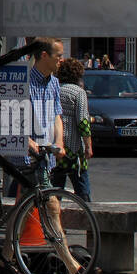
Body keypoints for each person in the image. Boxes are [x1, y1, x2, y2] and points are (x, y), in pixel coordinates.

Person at [3, 37, 82, 274]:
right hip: (25, 156)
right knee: (52, 206)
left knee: (23, 208)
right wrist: (28, 142)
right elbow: (9, 115)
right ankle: (72, 267)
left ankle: (4, 257)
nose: (62, 60)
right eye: (58, 55)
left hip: (45, 155)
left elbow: (57, 116)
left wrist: (59, 142)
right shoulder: (23, 82)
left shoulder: (54, 83)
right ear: (44, 56)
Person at [51, 57, 92, 200]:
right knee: (82, 186)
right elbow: (83, 121)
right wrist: (88, 145)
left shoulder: (55, 89)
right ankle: (87, 214)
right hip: (74, 149)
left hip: (57, 145)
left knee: (55, 188)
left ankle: (53, 217)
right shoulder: (79, 92)